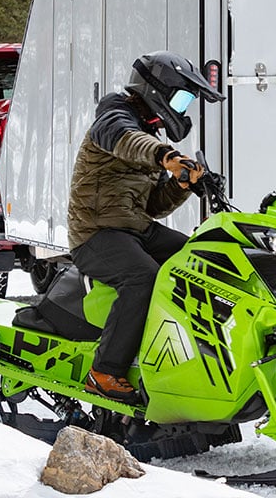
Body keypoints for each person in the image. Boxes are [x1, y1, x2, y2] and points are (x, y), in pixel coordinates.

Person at [68, 51, 224, 404]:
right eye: (183, 97)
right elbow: (129, 140)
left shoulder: (147, 129)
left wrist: (181, 184)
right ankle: (105, 371)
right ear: (158, 89)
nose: (183, 107)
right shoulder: (113, 118)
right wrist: (167, 157)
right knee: (144, 276)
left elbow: (153, 205)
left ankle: (193, 355)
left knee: (200, 257)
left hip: (135, 227)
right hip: (95, 233)